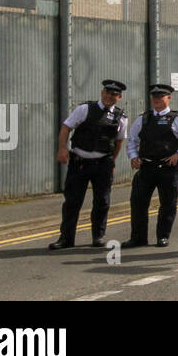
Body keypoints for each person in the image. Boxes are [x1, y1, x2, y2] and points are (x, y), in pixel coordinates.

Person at [50, 79, 128, 250]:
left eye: (114, 94)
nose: (109, 96)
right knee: (72, 202)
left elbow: (119, 141)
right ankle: (66, 238)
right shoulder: (84, 109)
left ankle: (98, 236)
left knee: (102, 202)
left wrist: (111, 161)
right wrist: (62, 149)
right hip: (79, 163)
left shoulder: (120, 117)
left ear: (119, 97)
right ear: (102, 93)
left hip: (103, 164)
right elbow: (66, 128)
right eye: (107, 92)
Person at [124, 83, 178, 248]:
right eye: (154, 97)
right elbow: (132, 140)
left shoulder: (177, 118)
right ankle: (138, 238)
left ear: (168, 98)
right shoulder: (143, 118)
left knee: (168, 203)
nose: (157, 99)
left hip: (168, 168)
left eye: (161, 96)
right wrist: (134, 156)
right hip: (146, 167)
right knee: (138, 203)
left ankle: (163, 236)